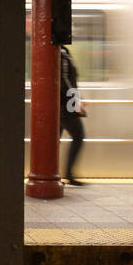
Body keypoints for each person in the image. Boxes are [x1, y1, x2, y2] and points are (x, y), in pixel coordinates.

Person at [59, 45, 87, 186]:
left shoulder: (63, 52)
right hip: (66, 105)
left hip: (62, 103)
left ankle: (58, 174)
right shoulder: (62, 53)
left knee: (54, 140)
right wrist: (76, 102)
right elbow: (65, 80)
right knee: (78, 136)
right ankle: (68, 174)